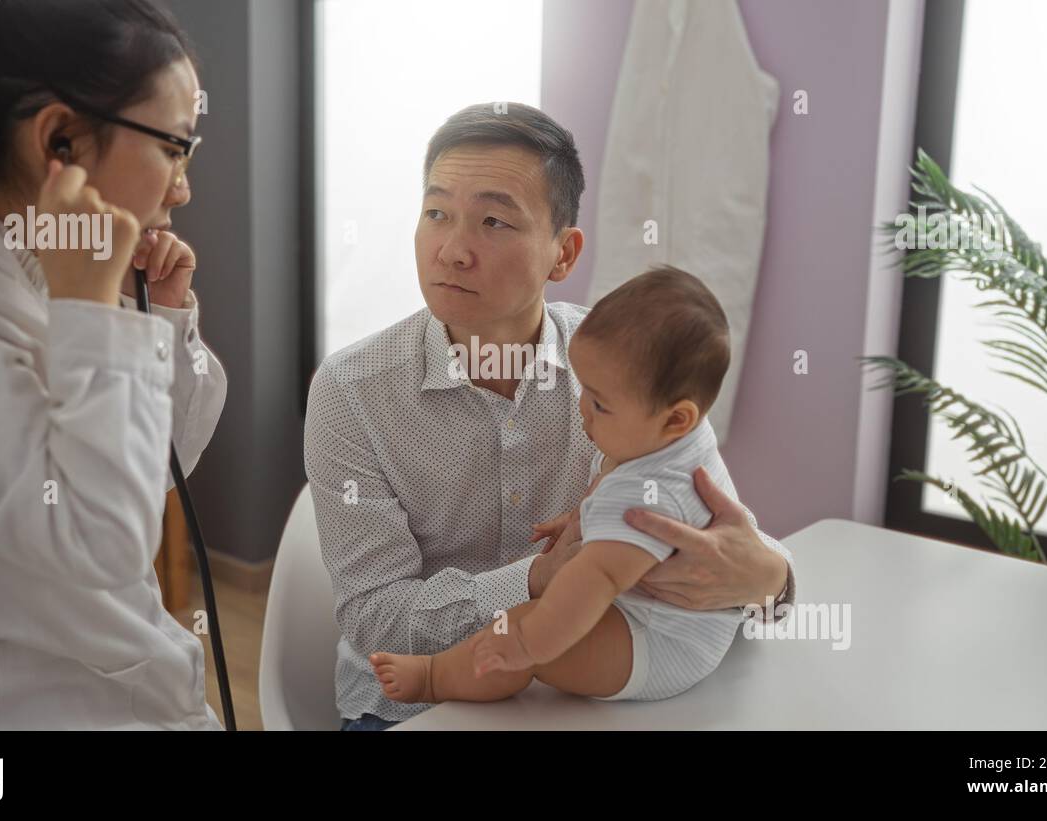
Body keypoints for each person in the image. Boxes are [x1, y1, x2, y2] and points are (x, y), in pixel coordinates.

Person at [303, 103, 795, 731]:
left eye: (492, 220)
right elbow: (378, 618)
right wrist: (537, 577)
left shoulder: (624, 364)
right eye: (436, 214)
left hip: (585, 698)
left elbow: (711, 520)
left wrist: (771, 577)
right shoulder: (352, 392)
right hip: (419, 709)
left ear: (563, 254)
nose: (452, 250)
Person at [0, 0, 226, 729]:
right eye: (173, 147)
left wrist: (157, 314)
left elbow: (159, 463)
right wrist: (90, 311)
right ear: (59, 142)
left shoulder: (33, 260)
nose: (181, 186)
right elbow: (104, 538)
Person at [371, 266, 750, 705]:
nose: (582, 408)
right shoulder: (676, 439)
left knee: (517, 627)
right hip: (688, 623)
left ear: (676, 417)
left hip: (657, 643)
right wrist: (585, 517)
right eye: (585, 391)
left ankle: (435, 676)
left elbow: (597, 574)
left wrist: (529, 643)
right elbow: (623, 490)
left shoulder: (650, 491)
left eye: (600, 404)